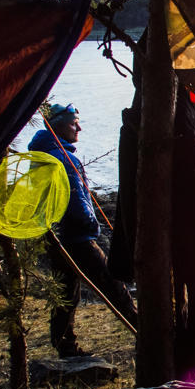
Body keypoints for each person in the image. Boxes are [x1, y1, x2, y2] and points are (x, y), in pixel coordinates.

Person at [29, 103, 137, 358]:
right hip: (76, 237)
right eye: (73, 122)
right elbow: (75, 200)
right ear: (57, 126)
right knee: (113, 285)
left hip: (56, 237)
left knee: (66, 293)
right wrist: (90, 224)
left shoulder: (41, 155)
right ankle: (145, 332)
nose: (79, 128)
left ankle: (65, 347)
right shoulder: (63, 159)